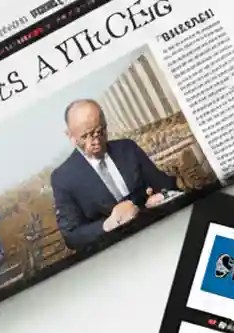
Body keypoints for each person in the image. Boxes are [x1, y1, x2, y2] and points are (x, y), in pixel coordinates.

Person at [50, 99, 178, 249]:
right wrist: (109, 224)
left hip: (160, 231)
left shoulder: (127, 148)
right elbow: (71, 236)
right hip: (115, 249)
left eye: (100, 132)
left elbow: (165, 184)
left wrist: (162, 196)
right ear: (70, 135)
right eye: (86, 136)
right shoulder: (63, 178)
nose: (95, 141)